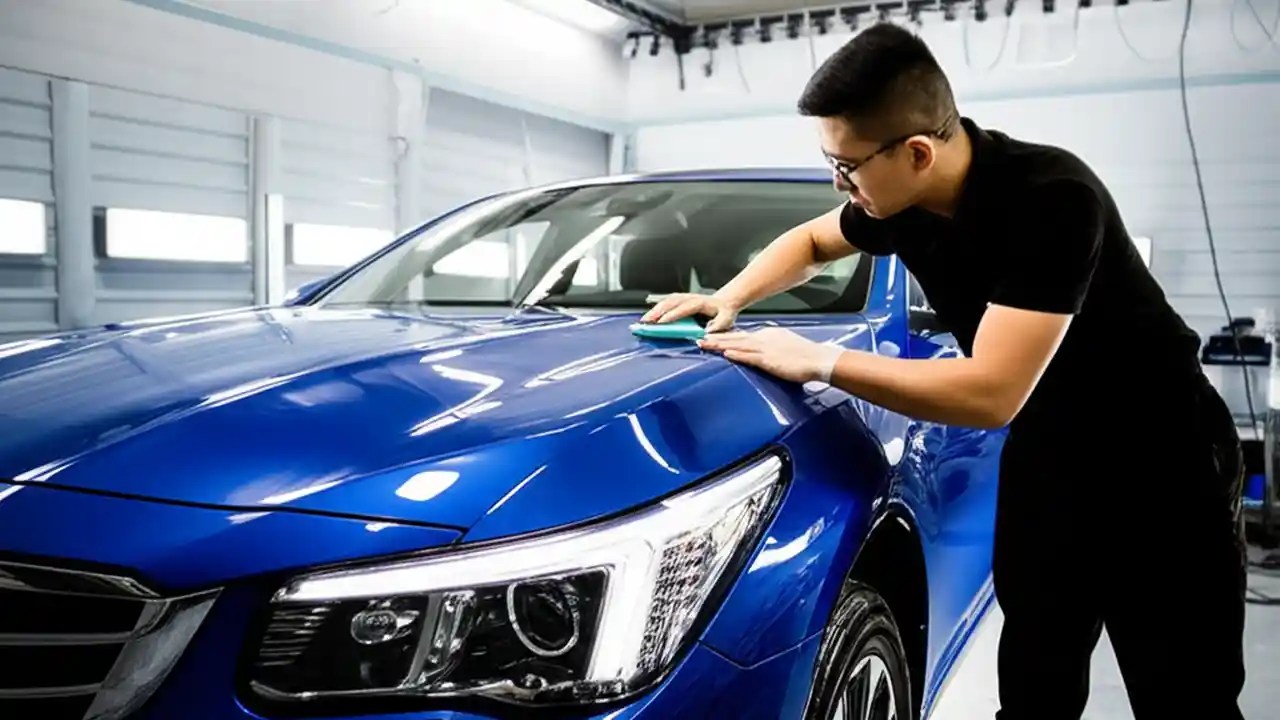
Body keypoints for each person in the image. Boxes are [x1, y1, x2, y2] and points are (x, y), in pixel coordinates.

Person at [639, 22, 1246, 720]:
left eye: (847, 165)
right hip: (1050, 451)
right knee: (1036, 684)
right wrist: (728, 297)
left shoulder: (1053, 199)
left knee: (1183, 695)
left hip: (1162, 458)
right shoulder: (902, 202)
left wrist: (821, 361)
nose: (839, 182)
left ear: (918, 152)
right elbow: (811, 242)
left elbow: (991, 392)